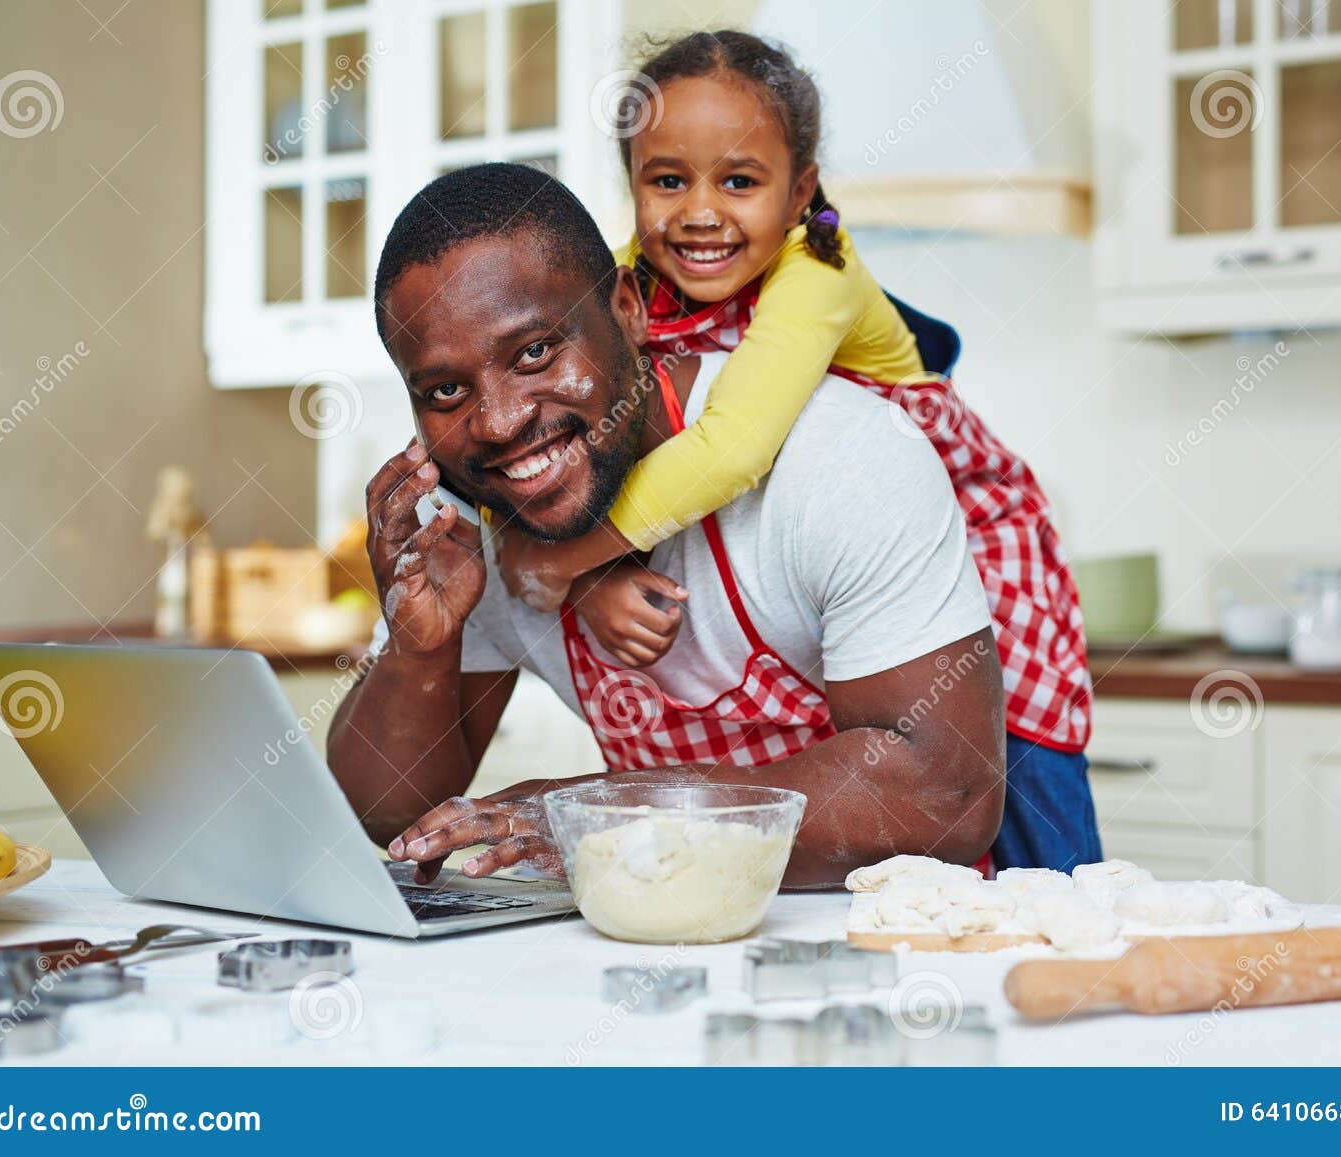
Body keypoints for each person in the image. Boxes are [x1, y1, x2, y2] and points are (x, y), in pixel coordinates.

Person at [497, 31, 1098, 871]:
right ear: (632, 185)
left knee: (1017, 777)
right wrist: (587, 575)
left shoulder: (818, 268)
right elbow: (555, 436)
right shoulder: (626, 281)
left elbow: (733, 447)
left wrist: (570, 561)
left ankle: (1073, 934)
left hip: (974, 542)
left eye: (740, 181)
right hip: (837, 573)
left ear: (799, 192)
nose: (701, 212)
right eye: (668, 180)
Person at [325, 162, 1006, 888]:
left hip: (876, 949)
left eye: (534, 352)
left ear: (626, 310)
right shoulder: (469, 524)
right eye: (446, 390)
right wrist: (418, 646)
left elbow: (945, 794)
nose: (497, 421)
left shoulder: (836, 456)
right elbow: (387, 812)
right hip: (661, 939)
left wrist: (603, 815)